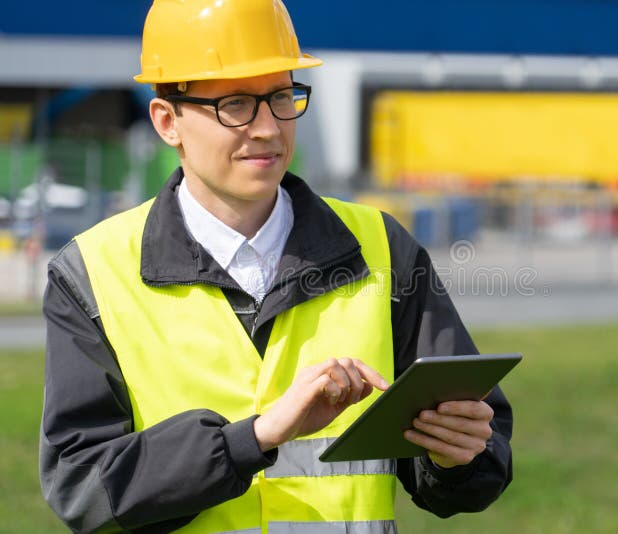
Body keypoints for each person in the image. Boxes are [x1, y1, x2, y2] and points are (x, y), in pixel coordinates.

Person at [39, 0, 513, 532]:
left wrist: (456, 458)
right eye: (237, 104)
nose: (266, 127)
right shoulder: (90, 273)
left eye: (282, 97)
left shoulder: (382, 245)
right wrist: (256, 437)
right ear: (167, 121)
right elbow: (84, 489)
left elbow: (480, 457)